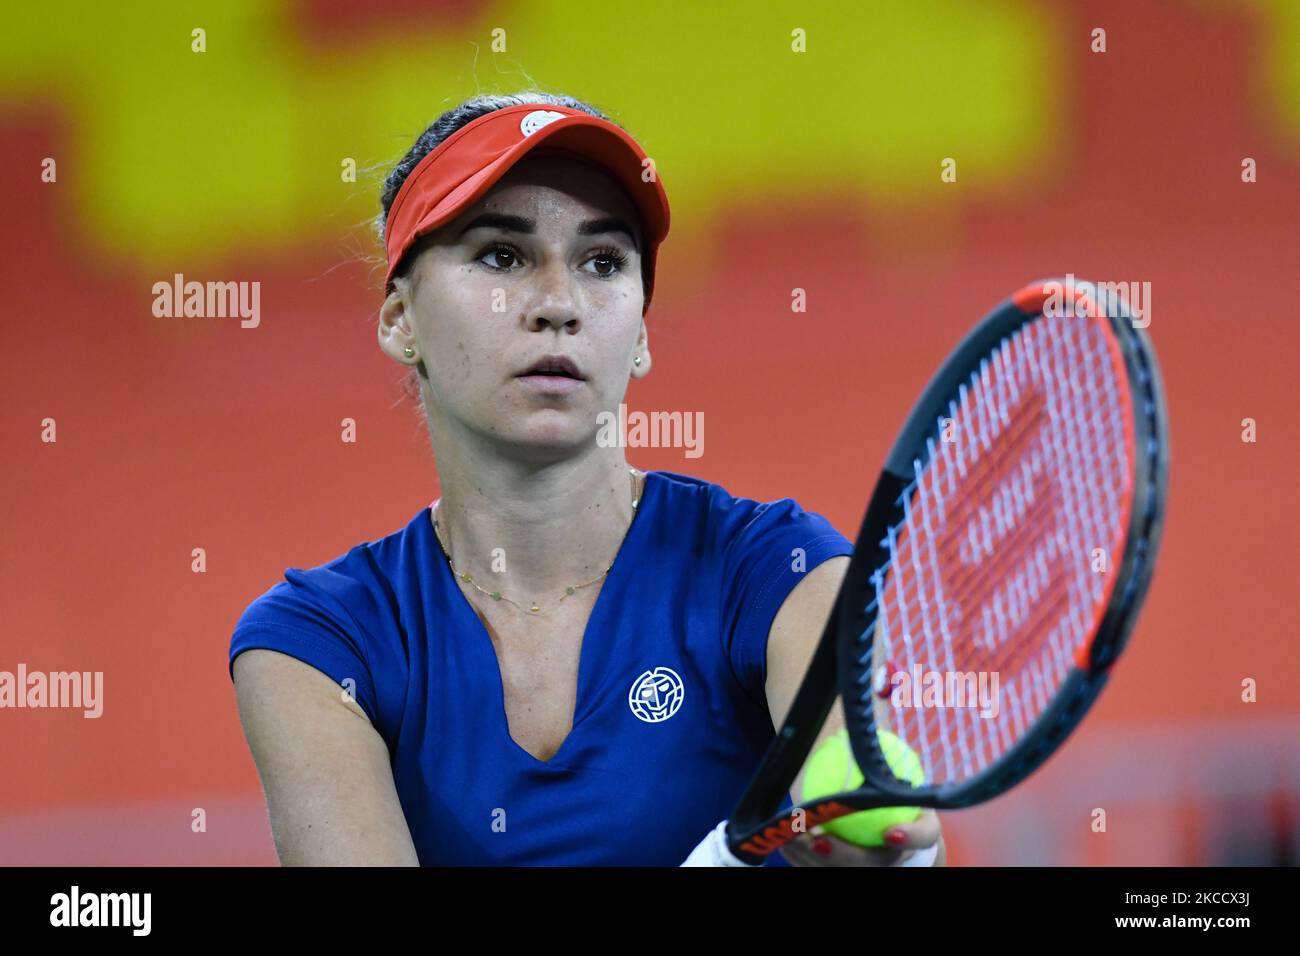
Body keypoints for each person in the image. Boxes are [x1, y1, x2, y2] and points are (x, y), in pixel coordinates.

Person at [228, 91, 945, 867]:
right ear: (401, 318)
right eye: (502, 255)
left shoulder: (783, 569)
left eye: (603, 262)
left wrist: (892, 856)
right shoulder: (315, 644)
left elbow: (863, 805)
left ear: (639, 334)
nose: (559, 304)